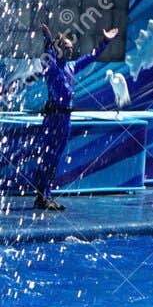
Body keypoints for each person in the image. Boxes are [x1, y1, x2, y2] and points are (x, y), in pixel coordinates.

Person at [1, 22, 118, 210]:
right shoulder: (52, 67)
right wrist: (48, 38)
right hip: (54, 117)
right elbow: (48, 54)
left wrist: (105, 41)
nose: (71, 51)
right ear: (59, 49)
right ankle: (41, 196)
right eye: (67, 48)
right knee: (48, 156)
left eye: (71, 48)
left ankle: (46, 195)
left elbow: (92, 56)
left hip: (65, 119)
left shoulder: (71, 66)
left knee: (55, 158)